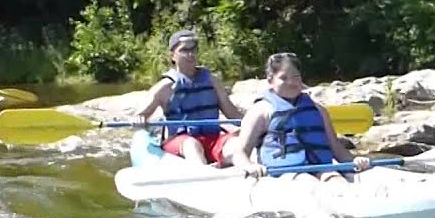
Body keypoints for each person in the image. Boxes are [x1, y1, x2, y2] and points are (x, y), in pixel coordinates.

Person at [229, 52, 370, 181]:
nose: (291, 83)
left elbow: (336, 148)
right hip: (285, 173)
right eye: (283, 78)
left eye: (295, 77)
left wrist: (354, 161)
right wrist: (249, 166)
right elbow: (240, 152)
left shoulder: (317, 109)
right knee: (305, 181)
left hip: (319, 167)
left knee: (335, 180)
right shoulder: (260, 111)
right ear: (270, 80)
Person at [134, 30, 245, 166]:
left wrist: (252, 123)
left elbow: (232, 114)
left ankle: (242, 169)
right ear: (172, 55)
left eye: (193, 49)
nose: (190, 54)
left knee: (235, 143)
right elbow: (141, 114)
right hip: (181, 141)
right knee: (192, 145)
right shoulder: (165, 86)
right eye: (184, 50)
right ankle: (203, 175)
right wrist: (140, 118)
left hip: (213, 138)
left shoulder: (212, 81)